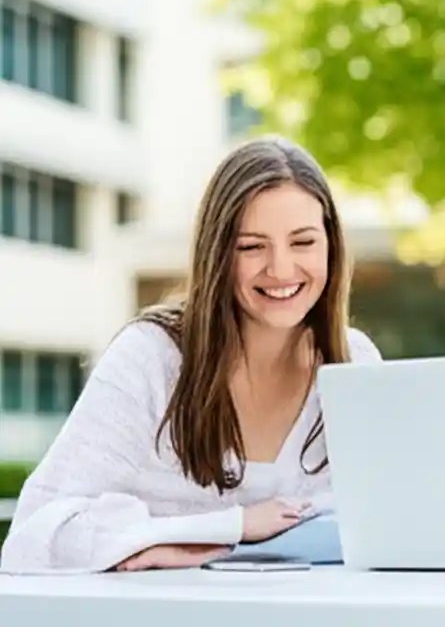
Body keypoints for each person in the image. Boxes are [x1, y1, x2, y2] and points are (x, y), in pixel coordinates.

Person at [0, 137, 382, 574]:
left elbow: (387, 520)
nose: (280, 268)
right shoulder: (152, 357)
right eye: (251, 246)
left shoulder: (354, 363)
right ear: (217, 253)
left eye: (303, 242)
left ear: (331, 245)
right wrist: (225, 528)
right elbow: (32, 536)